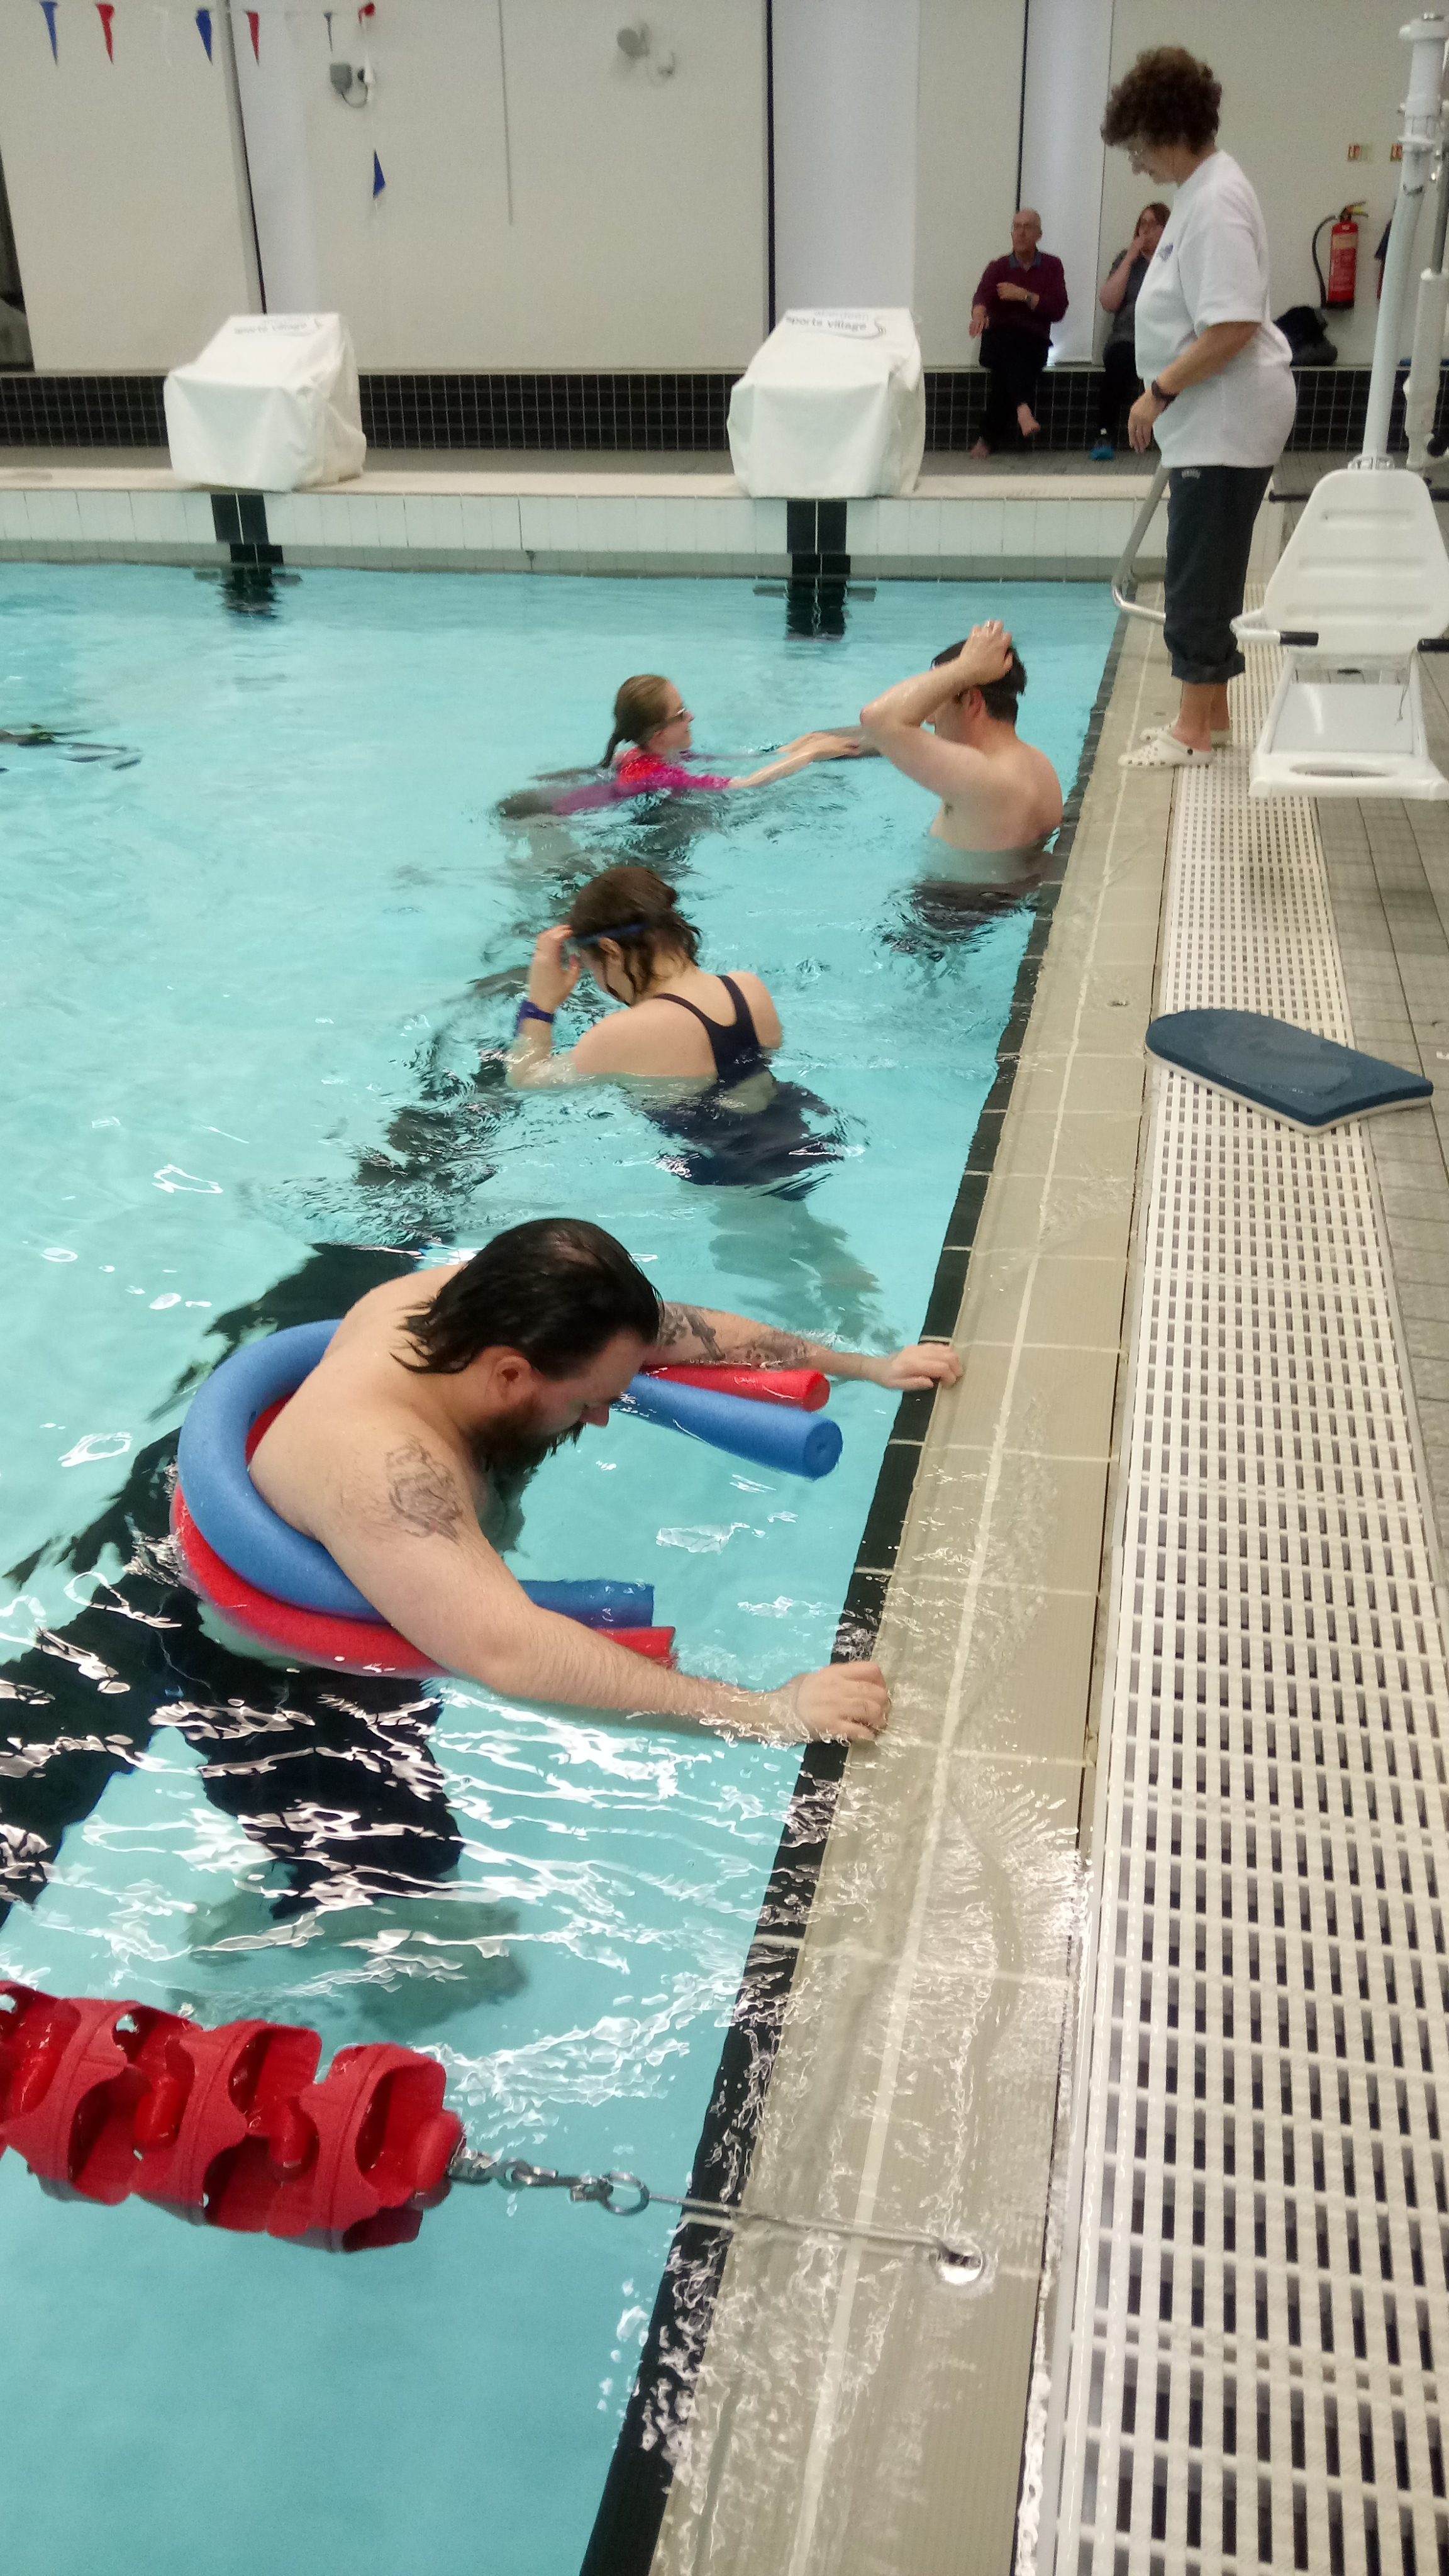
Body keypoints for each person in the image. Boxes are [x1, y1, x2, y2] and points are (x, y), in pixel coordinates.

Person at [248, 1218, 961, 1742]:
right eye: (588, 1400)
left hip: (418, 1586)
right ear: (509, 1374)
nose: (600, 1420)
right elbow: (512, 1651)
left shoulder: (472, 1308)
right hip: (293, 1687)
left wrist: (868, 1367)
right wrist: (775, 1712)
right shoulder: (386, 1470)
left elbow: (678, 1330)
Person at [1102, 47, 1296, 768]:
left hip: (1224, 418)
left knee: (1194, 573)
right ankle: (1207, 719)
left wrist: (1157, 391)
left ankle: (1190, 737)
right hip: (1217, 421)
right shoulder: (1206, 190)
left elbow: (1233, 325)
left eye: (1136, 148)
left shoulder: (1212, 202)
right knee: (1205, 571)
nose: (1136, 163)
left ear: (1164, 128)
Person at [505, 865, 845, 1195]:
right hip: (795, 1134)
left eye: (592, 967)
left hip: (730, 1170)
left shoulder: (624, 1033)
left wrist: (540, 1003)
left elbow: (524, 1079)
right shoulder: (747, 988)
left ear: (610, 950)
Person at [859, 621, 1063, 857]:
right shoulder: (1039, 764)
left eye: (936, 702)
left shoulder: (982, 777)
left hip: (954, 894)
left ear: (971, 701)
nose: (929, 719)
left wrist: (966, 668)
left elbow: (876, 719)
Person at [535, 675, 860, 816]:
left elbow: (726, 760)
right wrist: (812, 755)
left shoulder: (644, 753)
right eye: (680, 714)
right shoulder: (655, 776)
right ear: (659, 736)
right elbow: (745, 785)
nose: (692, 716)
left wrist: (791, 747)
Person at [967, 209, 1069, 458]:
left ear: (1039, 234)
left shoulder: (1052, 266)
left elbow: (1058, 309)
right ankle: (1023, 410)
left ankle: (988, 438)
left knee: (1008, 367)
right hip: (998, 342)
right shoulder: (998, 267)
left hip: (1032, 344)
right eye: (1017, 226)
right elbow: (982, 296)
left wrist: (1023, 295)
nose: (1021, 232)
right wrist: (979, 315)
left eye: (1027, 227)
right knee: (1008, 342)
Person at [1092, 201, 1170, 458]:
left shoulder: (1173, 261)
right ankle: (1104, 434)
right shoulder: (1126, 260)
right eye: (1141, 224)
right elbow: (1108, 302)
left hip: (1163, 336)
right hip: (1128, 336)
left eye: (1153, 225)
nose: (1145, 231)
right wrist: (1129, 259)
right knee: (1119, 359)